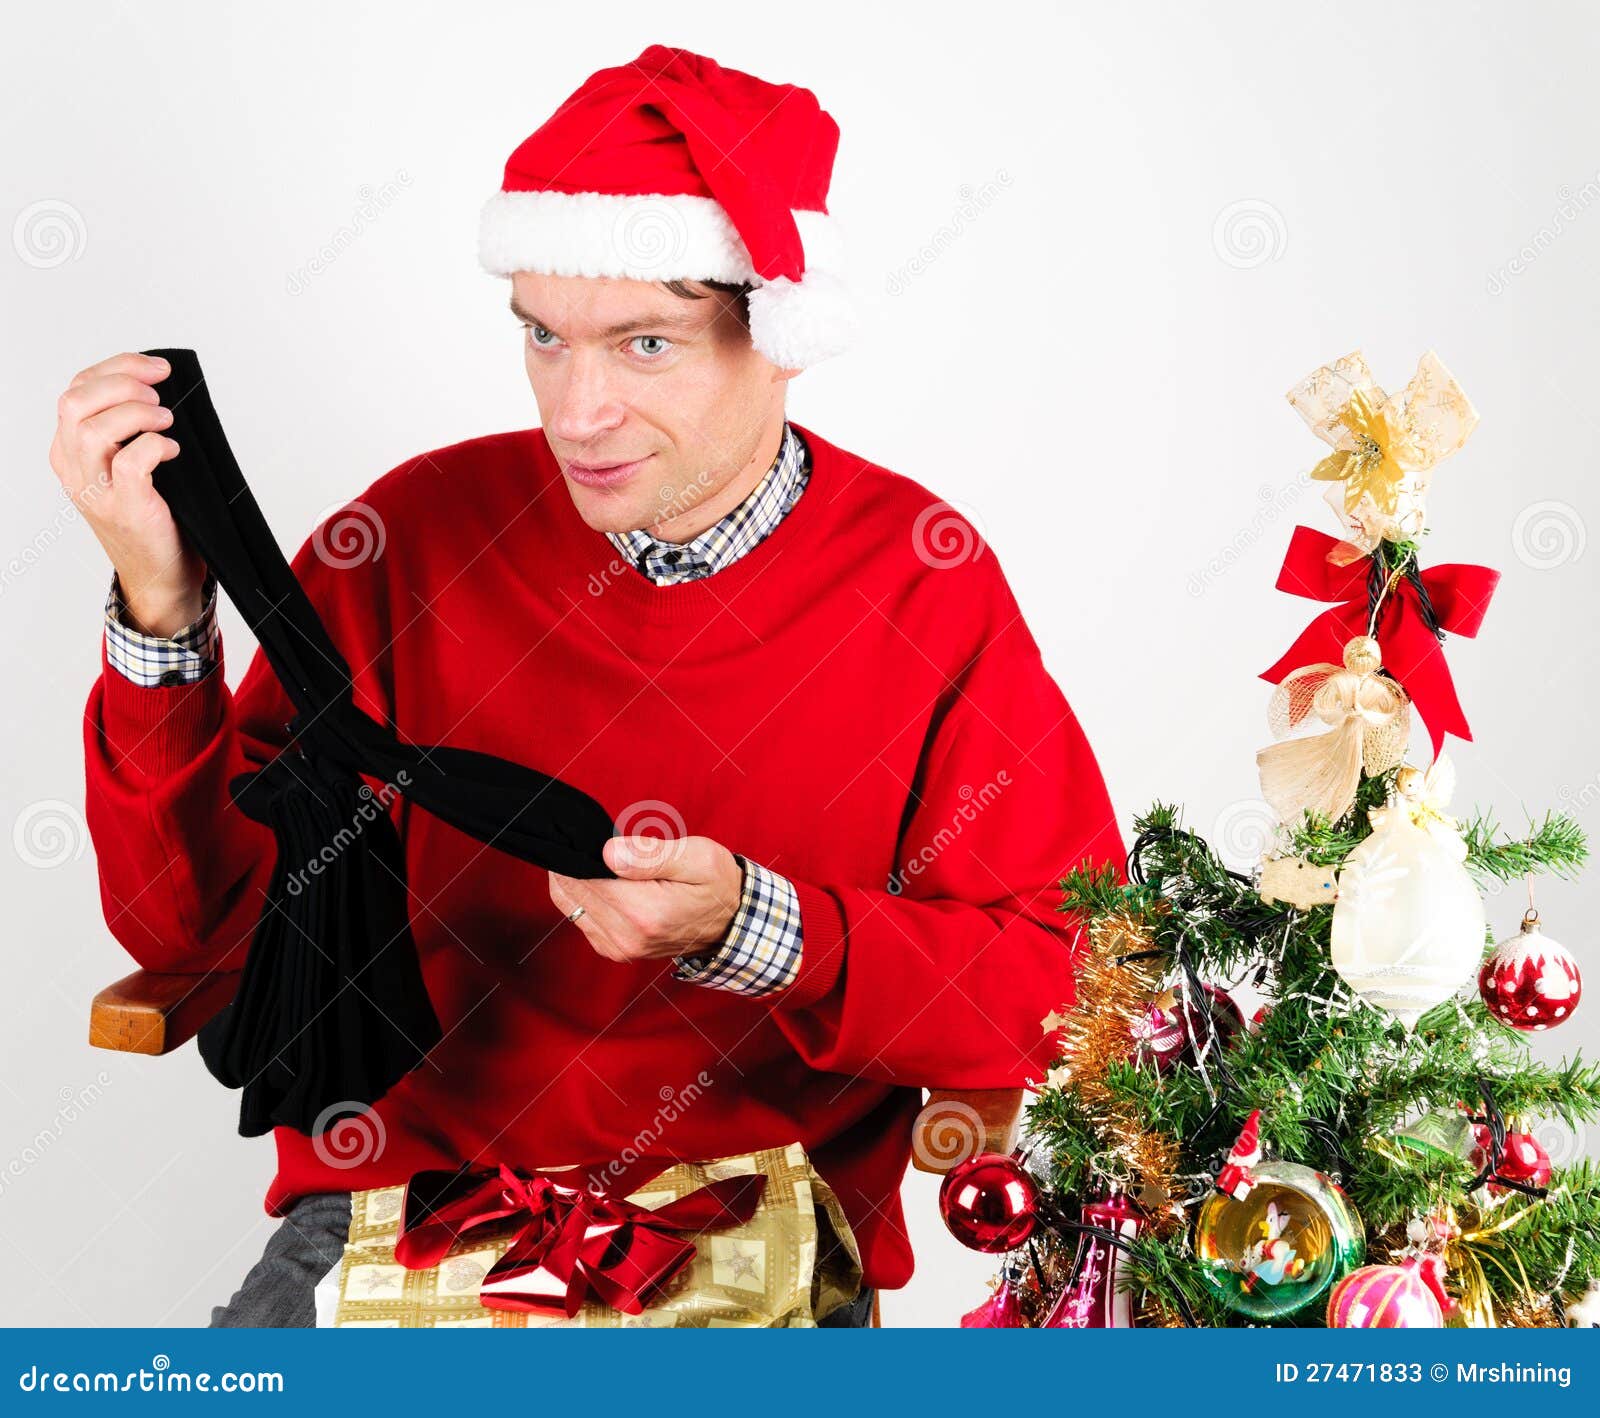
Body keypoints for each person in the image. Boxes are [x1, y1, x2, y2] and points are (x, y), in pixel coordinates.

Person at [57, 45, 1125, 1327]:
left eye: (646, 345)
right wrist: (164, 618)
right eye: (545, 340)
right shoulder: (409, 535)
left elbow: (1066, 973)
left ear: (778, 339)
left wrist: (762, 929)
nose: (579, 409)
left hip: (757, 1217)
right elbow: (192, 934)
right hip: (408, 1206)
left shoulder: (920, 580)